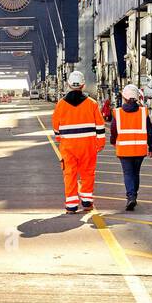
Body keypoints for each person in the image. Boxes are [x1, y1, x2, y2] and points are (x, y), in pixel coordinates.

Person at [51, 70, 106, 213]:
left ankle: (71, 205)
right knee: (88, 173)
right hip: (88, 145)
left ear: (69, 84)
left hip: (68, 145)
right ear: (83, 85)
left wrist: (59, 138)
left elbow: (56, 127)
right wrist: (100, 143)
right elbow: (100, 126)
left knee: (70, 174)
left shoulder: (61, 105)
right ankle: (87, 203)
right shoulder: (92, 104)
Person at [111, 83, 152, 210]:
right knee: (136, 173)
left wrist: (113, 141)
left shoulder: (117, 113)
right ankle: (134, 195)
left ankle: (131, 197)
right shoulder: (143, 113)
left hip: (124, 150)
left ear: (124, 98)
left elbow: (114, 130)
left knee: (128, 173)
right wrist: (151, 147)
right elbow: (149, 131)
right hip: (140, 150)